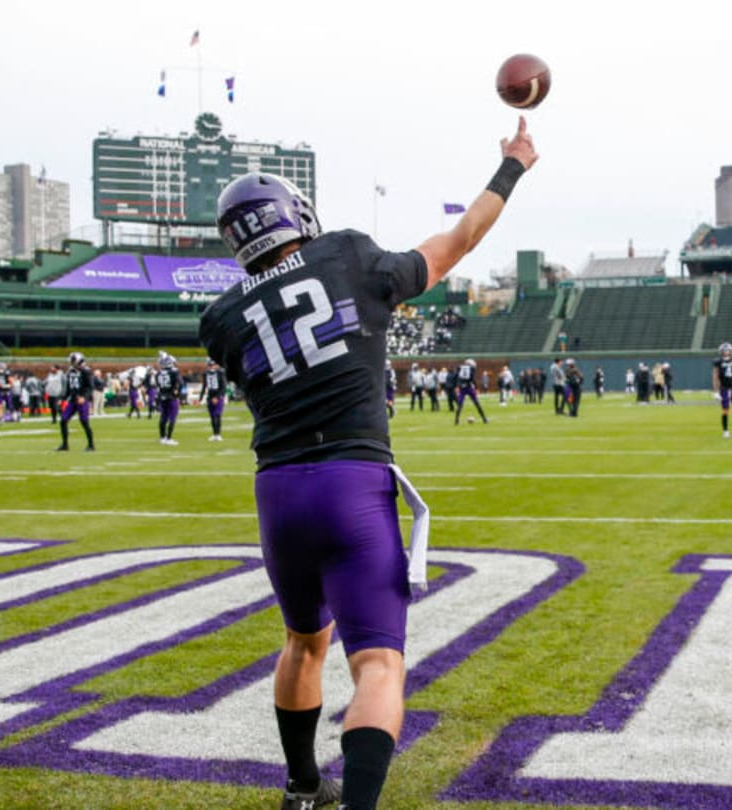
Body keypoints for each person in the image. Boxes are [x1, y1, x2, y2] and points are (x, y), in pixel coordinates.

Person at [198, 116, 536, 810]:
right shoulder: (348, 255)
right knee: (378, 664)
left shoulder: (221, 320)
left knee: (301, 641)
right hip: (351, 480)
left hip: (278, 491)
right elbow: (456, 242)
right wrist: (512, 167)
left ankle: (301, 787)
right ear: (296, 214)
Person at [55, 352, 96, 452]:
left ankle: (91, 445)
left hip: (82, 400)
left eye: (73, 361)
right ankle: (65, 445)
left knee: (84, 422)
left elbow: (90, 387)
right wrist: (62, 398)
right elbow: (69, 388)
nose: (71, 363)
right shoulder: (70, 371)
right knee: (63, 420)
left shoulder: (86, 371)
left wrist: (84, 397)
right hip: (73, 400)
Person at [155, 352, 184, 445]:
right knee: (172, 418)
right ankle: (169, 438)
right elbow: (180, 383)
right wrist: (178, 393)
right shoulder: (174, 371)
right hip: (171, 397)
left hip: (162, 396)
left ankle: (162, 438)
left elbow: (158, 385)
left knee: (163, 417)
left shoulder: (158, 373)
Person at [452, 358, 488, 425]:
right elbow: (473, 379)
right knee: (477, 403)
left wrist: (456, 385)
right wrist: (476, 387)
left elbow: (454, 377)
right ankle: (484, 419)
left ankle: (456, 420)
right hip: (469, 388)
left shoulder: (459, 367)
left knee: (460, 405)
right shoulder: (472, 368)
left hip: (462, 388)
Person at [204, 359, 228, 441]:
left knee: (217, 415)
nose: (211, 367)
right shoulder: (206, 373)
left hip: (218, 397)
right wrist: (200, 397)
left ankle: (218, 434)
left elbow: (224, 386)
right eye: (210, 365)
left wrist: (217, 397)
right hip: (210, 397)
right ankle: (215, 434)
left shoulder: (220, 373)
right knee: (212, 417)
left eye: (212, 365)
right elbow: (204, 386)